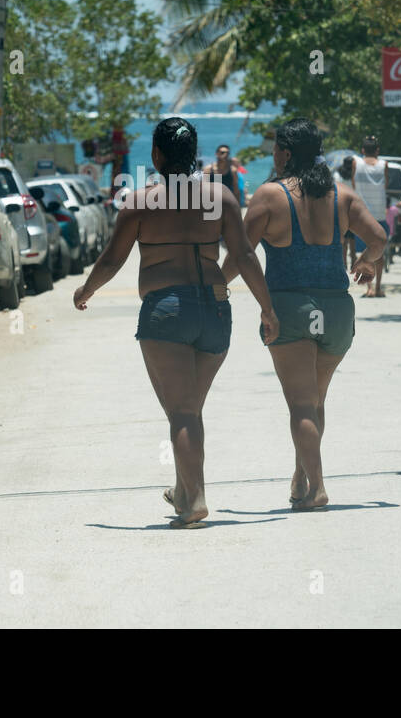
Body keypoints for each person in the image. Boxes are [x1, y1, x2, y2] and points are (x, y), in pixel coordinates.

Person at [73, 118, 278, 528]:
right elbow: (244, 256)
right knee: (190, 409)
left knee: (182, 412)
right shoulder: (220, 197)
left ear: (156, 155)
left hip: (167, 308)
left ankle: (194, 499)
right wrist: (267, 309)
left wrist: (87, 289)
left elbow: (113, 259)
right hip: (217, 308)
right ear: (196, 152)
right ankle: (184, 490)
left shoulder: (141, 202)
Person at [223, 119, 388, 511]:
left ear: (285, 153)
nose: (274, 155)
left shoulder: (268, 197)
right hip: (335, 309)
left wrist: (213, 285)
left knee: (300, 404)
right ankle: (301, 478)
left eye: (277, 149)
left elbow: (241, 256)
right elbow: (379, 237)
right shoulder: (342, 195)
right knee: (315, 401)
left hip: (291, 309)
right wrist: (365, 262)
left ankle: (317, 486)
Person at [349, 136, 391, 297]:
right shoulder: (383, 165)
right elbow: (385, 185)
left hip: (362, 214)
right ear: (378, 151)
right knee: (378, 251)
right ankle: (378, 287)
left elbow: (353, 183)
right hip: (379, 213)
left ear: (362, 150)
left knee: (364, 252)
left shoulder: (356, 163)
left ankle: (369, 288)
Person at [334, 156, 356, 270]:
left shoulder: (337, 175)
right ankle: (353, 261)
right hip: (351, 207)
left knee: (343, 236)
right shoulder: (354, 175)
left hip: (339, 207)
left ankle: (344, 263)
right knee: (352, 236)